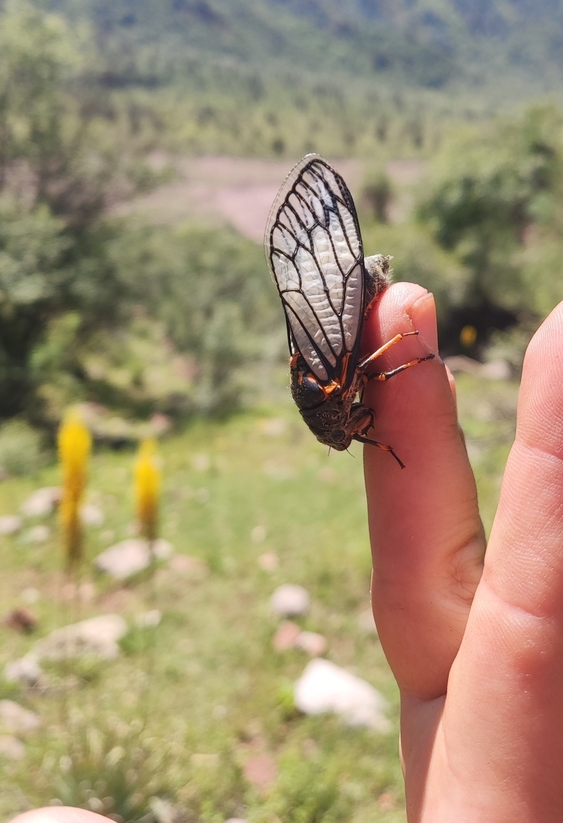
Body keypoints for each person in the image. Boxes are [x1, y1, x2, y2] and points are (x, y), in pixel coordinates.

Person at [10, 282, 563, 823]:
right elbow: (369, 384)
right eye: (344, 433)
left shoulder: (336, 397)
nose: (352, 433)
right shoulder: (341, 403)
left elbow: (373, 376)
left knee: (374, 362)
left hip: (332, 341)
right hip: (331, 347)